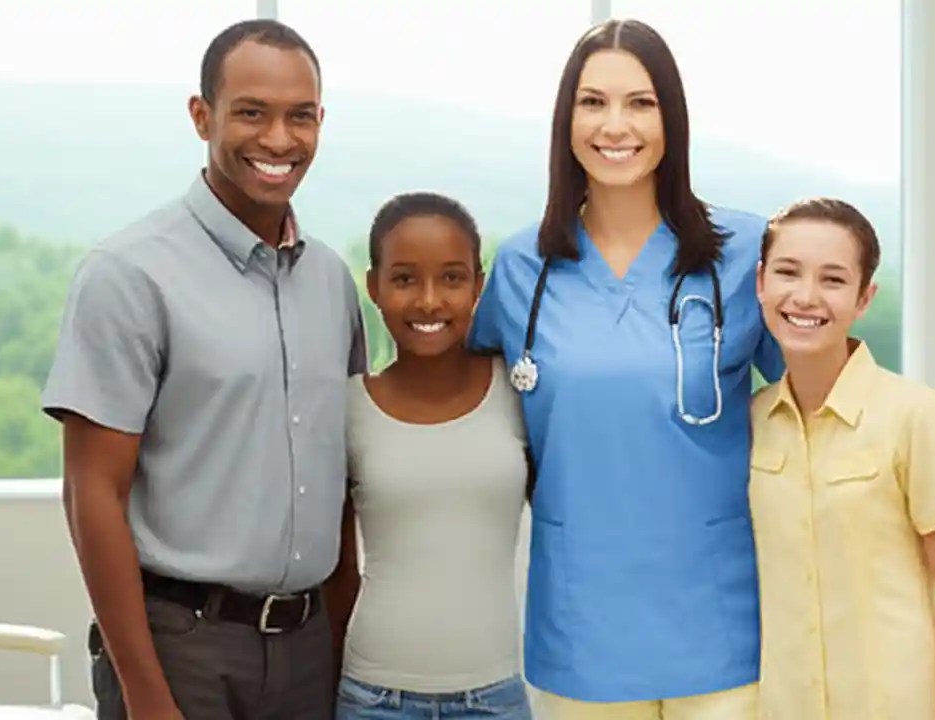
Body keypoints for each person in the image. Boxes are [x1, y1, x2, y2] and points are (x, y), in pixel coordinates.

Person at [41, 19, 366, 720]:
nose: (279, 140)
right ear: (202, 116)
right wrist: (144, 691)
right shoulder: (128, 275)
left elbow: (340, 489)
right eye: (252, 112)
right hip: (178, 650)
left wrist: (341, 645)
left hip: (309, 652)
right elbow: (90, 493)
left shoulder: (333, 284)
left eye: (300, 116)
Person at [468, 18, 784, 719]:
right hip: (583, 624)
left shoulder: (744, 257)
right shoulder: (523, 269)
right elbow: (468, 413)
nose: (616, 125)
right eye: (593, 102)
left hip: (720, 621)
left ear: (673, 117)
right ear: (566, 121)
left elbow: (814, 406)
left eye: (641, 102)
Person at [748, 197, 935, 720]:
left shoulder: (915, 416)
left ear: (864, 298)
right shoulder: (750, 424)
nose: (806, 297)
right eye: (788, 272)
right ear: (761, 282)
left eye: (833, 280)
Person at [329, 191, 533, 719]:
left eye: (451, 277)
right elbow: (336, 569)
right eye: (403, 279)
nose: (428, 301)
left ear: (478, 286)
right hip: (373, 697)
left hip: (496, 696)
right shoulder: (349, 408)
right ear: (373, 287)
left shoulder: (518, 395)